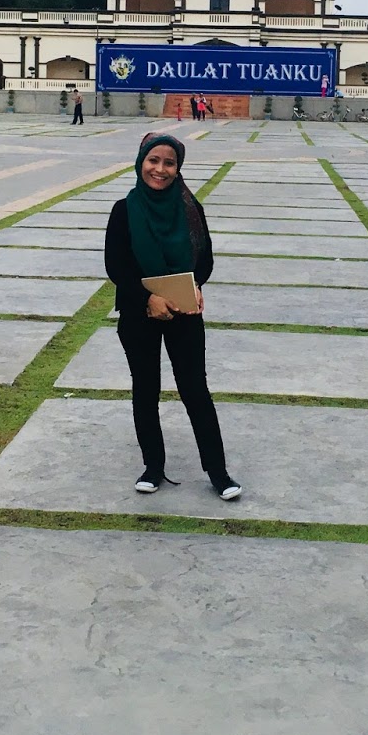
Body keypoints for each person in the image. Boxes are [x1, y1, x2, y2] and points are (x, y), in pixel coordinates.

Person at [104, 133, 241, 501]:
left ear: (178, 168)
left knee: (195, 390)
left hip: (183, 310)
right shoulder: (124, 210)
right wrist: (148, 299)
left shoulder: (191, 209)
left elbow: (205, 259)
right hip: (138, 312)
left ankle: (218, 472)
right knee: (145, 388)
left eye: (169, 163)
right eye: (154, 160)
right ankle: (153, 467)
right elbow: (116, 266)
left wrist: (196, 285)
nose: (160, 169)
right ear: (141, 162)